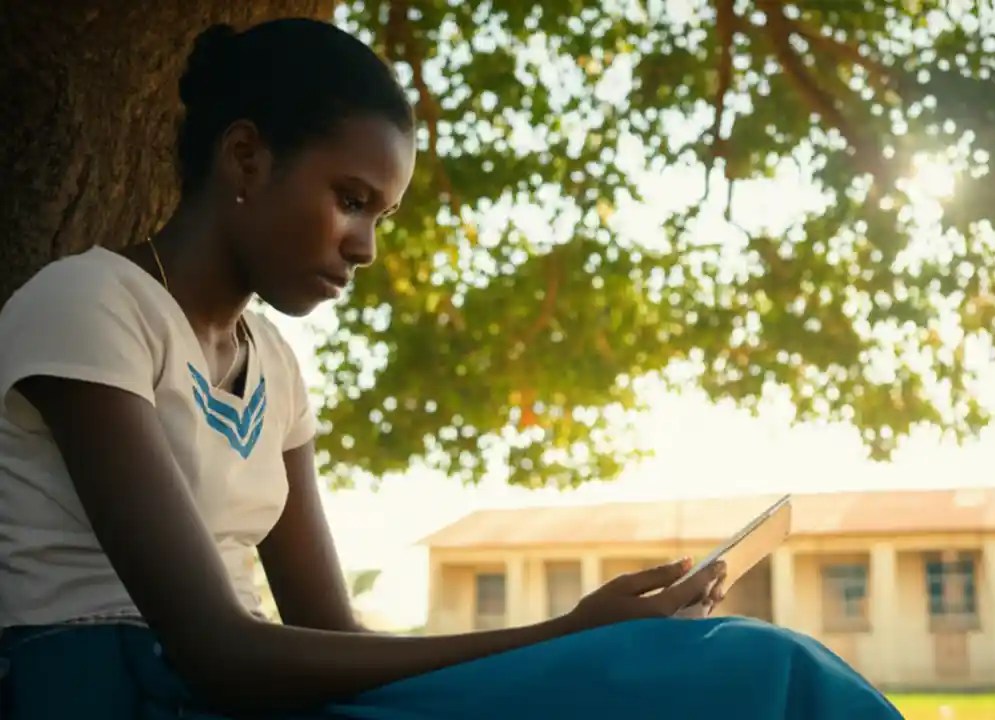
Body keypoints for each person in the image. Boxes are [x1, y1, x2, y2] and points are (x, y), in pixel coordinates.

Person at [0, 18, 903, 720]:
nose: (365, 247)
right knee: (745, 673)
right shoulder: (90, 305)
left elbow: (330, 632)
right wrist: (560, 636)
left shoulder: (273, 366)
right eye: (351, 200)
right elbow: (219, 651)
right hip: (118, 685)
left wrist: (572, 648)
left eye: (380, 216)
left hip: (254, 691)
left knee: (741, 668)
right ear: (246, 156)